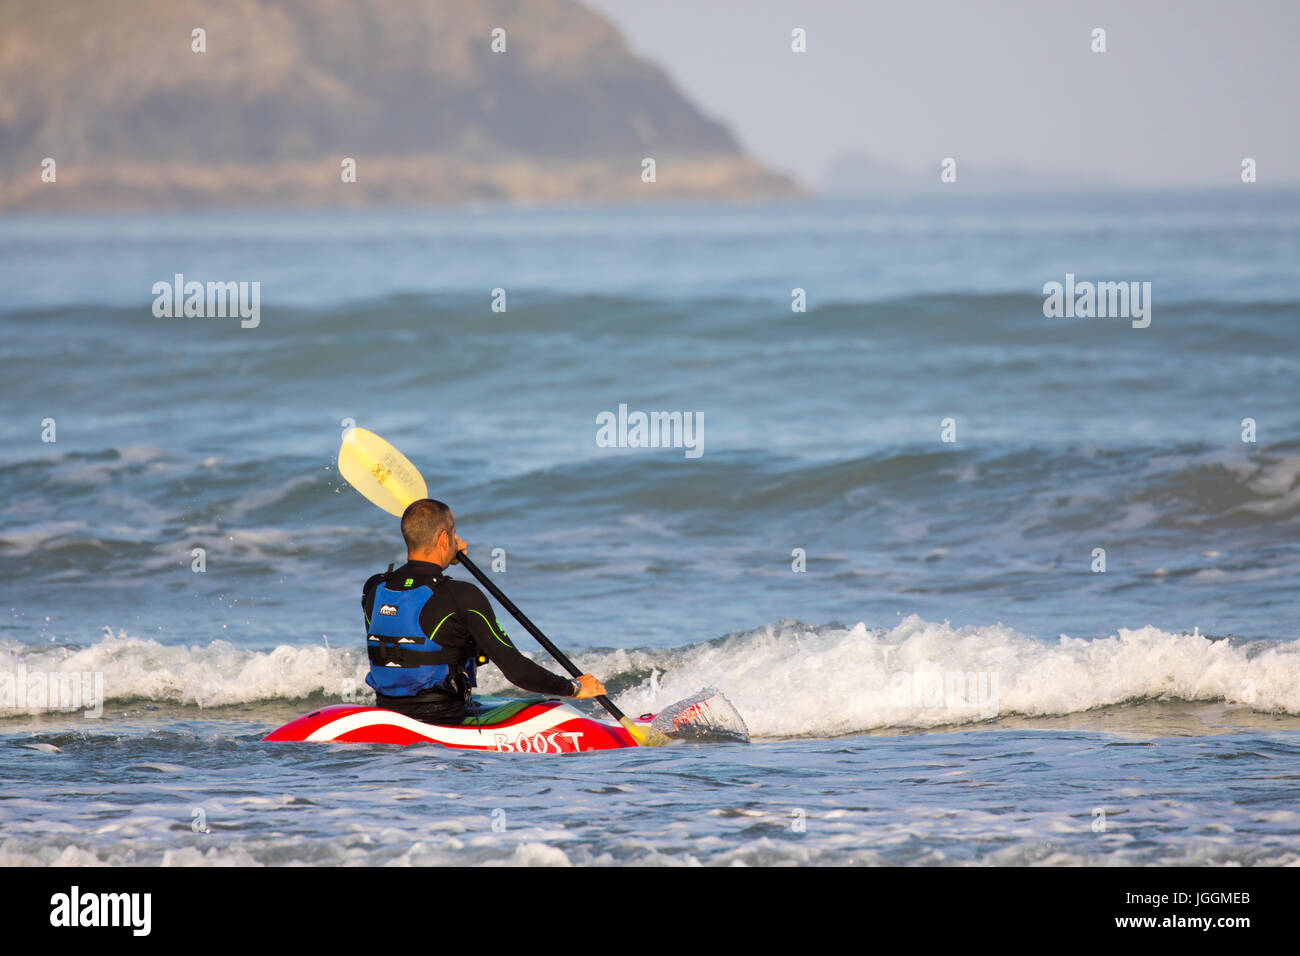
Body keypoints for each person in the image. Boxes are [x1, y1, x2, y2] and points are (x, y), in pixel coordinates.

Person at [361, 498, 606, 723]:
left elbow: (406, 624)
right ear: (444, 538)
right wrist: (573, 687)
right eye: (454, 533)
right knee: (552, 707)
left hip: (388, 710)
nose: (458, 540)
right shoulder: (462, 595)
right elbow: (518, 672)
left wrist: (444, 557)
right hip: (442, 717)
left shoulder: (375, 587)